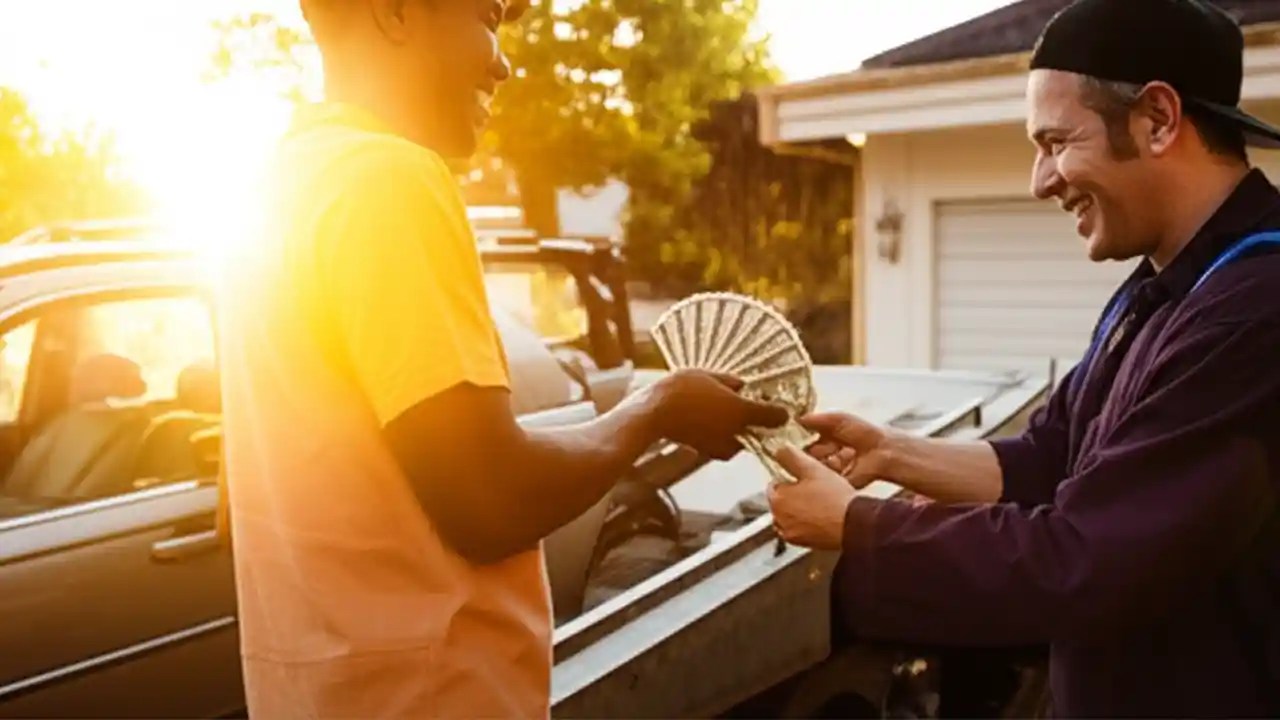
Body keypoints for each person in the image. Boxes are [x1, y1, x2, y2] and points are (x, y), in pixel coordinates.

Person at [216, 1, 788, 717]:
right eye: (487, 17)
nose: (502, 60)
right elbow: (490, 499)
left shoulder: (279, 185)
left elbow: (248, 501)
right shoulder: (388, 176)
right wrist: (657, 408)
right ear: (394, 14)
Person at [768, 0, 1280, 716]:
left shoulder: (1254, 311)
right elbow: (1052, 456)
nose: (1041, 180)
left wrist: (859, 526)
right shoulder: (1165, 288)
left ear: (1158, 120)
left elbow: (1087, 558)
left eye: (1056, 141)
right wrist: (890, 453)